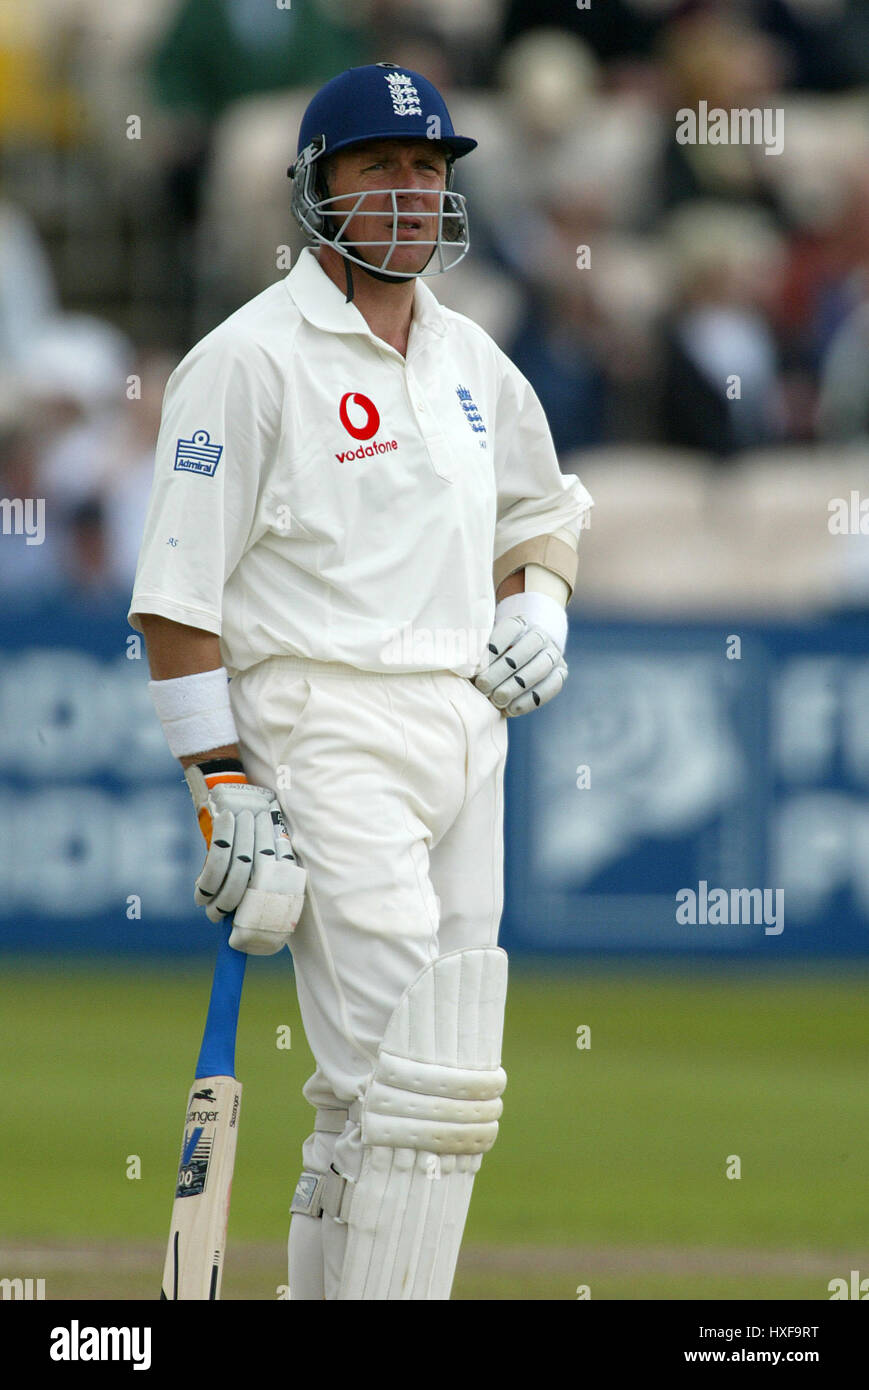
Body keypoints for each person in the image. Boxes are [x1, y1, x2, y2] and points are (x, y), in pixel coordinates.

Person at [129, 63, 592, 1300]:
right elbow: (174, 596)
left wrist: (538, 602)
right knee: (416, 1081)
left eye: (428, 169)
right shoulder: (247, 361)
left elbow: (544, 508)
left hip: (464, 727)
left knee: (411, 1088)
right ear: (314, 188)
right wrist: (219, 778)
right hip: (322, 721)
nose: (407, 192)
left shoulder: (468, 354)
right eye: (377, 167)